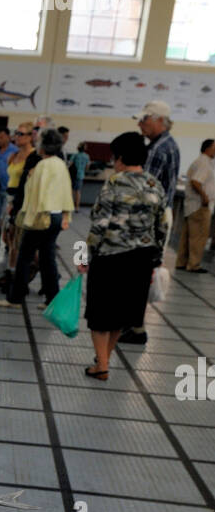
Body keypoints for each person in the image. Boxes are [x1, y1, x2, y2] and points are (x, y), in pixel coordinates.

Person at [82, 130, 168, 381]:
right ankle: (102, 361)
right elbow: (162, 224)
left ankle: (103, 365)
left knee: (100, 313)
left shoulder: (115, 182)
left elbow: (100, 222)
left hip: (110, 256)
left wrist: (87, 254)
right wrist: (157, 256)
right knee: (122, 313)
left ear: (120, 157)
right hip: (141, 258)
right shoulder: (155, 184)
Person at [119, 100, 181, 345]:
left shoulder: (157, 149)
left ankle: (136, 326)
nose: (140, 124)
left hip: (150, 216)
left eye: (144, 119)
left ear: (158, 120)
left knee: (138, 270)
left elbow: (145, 189)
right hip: (160, 214)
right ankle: (135, 323)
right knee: (142, 271)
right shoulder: (168, 144)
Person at [0, 128, 73, 308]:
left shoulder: (42, 166)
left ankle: (15, 298)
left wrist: (25, 219)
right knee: (48, 260)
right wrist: (66, 216)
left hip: (40, 217)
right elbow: (66, 192)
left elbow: (35, 196)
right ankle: (52, 300)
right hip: (55, 217)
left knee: (24, 258)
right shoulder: (60, 164)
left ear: (44, 146)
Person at [0, 121, 37, 292]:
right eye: (16, 133)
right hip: (9, 198)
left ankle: (18, 275)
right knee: (8, 239)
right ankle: (12, 273)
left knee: (19, 242)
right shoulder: (14, 155)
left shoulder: (34, 157)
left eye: (21, 134)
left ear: (31, 137)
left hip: (22, 202)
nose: (16, 137)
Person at [176, 138, 215, 274]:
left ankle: (181, 262)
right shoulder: (204, 163)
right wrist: (204, 197)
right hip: (200, 205)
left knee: (188, 236)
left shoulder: (199, 161)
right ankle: (194, 265)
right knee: (199, 237)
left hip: (192, 205)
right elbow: (196, 182)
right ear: (208, 148)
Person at [69, 143, 90, 211]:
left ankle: (70, 206)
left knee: (71, 191)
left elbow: (70, 164)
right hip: (80, 175)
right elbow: (87, 167)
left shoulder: (75, 155)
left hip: (73, 175)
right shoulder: (87, 156)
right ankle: (77, 207)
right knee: (78, 191)